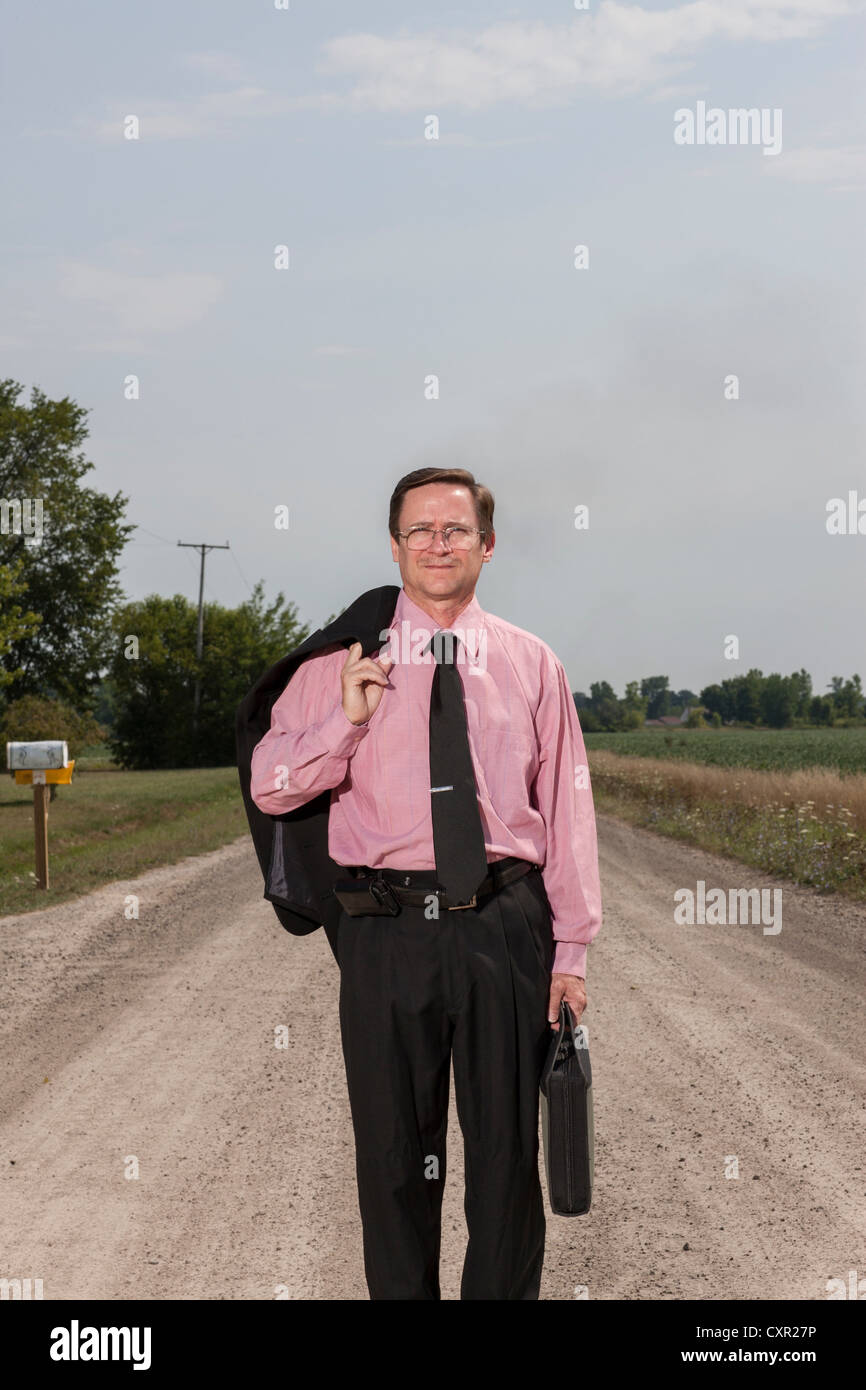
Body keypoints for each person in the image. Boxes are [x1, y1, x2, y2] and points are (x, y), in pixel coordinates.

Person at [249, 466, 602, 1299]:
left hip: (505, 929)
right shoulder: (339, 665)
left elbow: (568, 810)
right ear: (396, 548)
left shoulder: (533, 664)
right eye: (420, 531)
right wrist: (346, 717)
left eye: (454, 530)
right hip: (385, 934)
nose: (437, 544)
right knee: (394, 1165)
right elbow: (272, 785)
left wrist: (573, 951)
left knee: (507, 1165)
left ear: (486, 544)